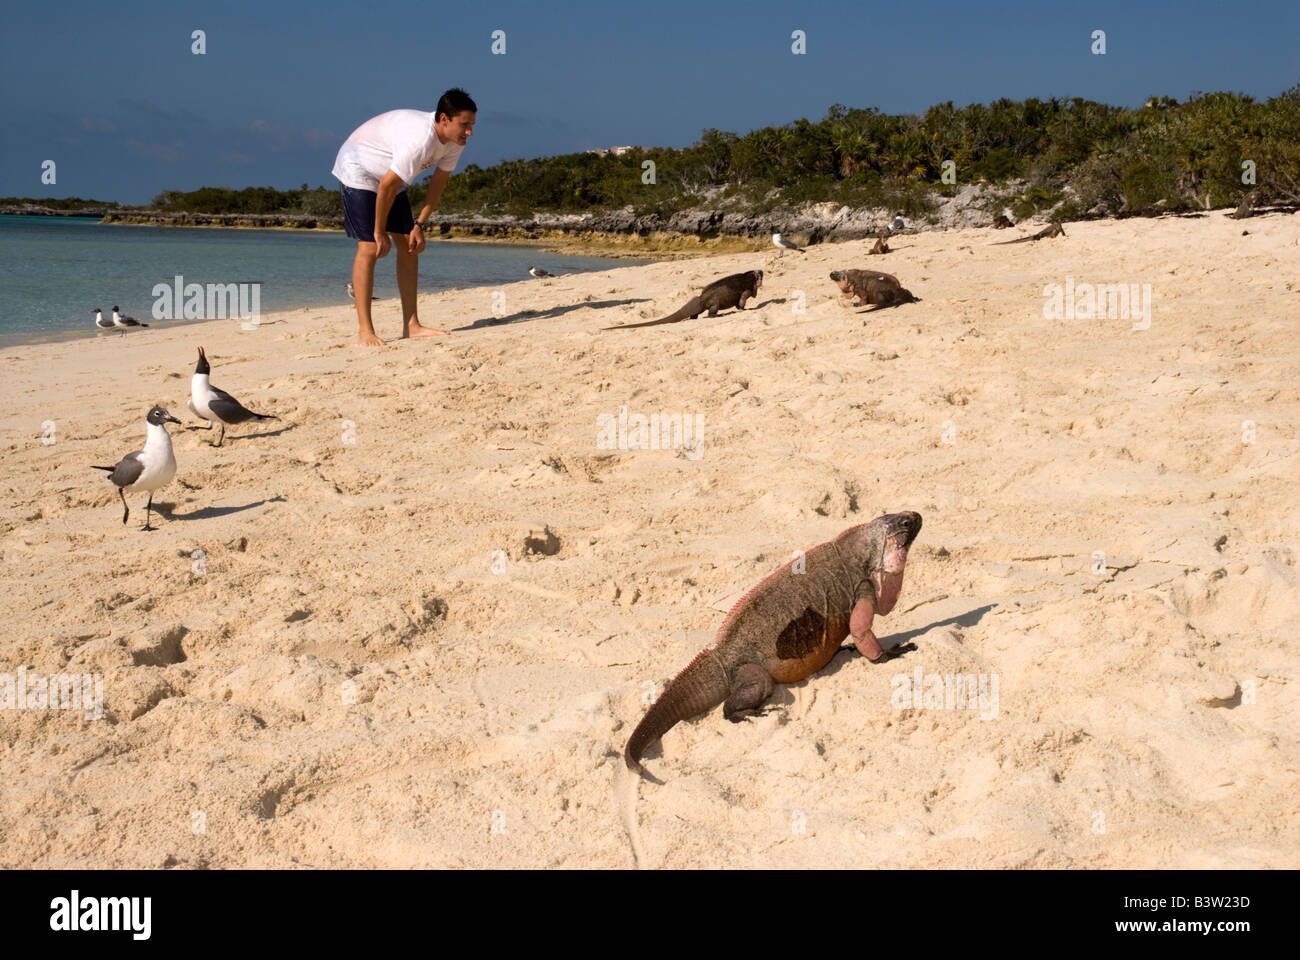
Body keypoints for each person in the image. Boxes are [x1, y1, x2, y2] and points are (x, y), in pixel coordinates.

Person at [331, 88, 477, 346]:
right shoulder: (419, 140)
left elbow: (437, 183)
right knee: (369, 246)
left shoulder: (455, 142)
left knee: (410, 246)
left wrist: (419, 225)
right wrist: (379, 231)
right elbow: (386, 185)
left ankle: (412, 325)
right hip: (358, 167)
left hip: (390, 178)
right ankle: (365, 331)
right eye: (464, 125)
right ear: (444, 119)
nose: (469, 132)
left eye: (472, 125)